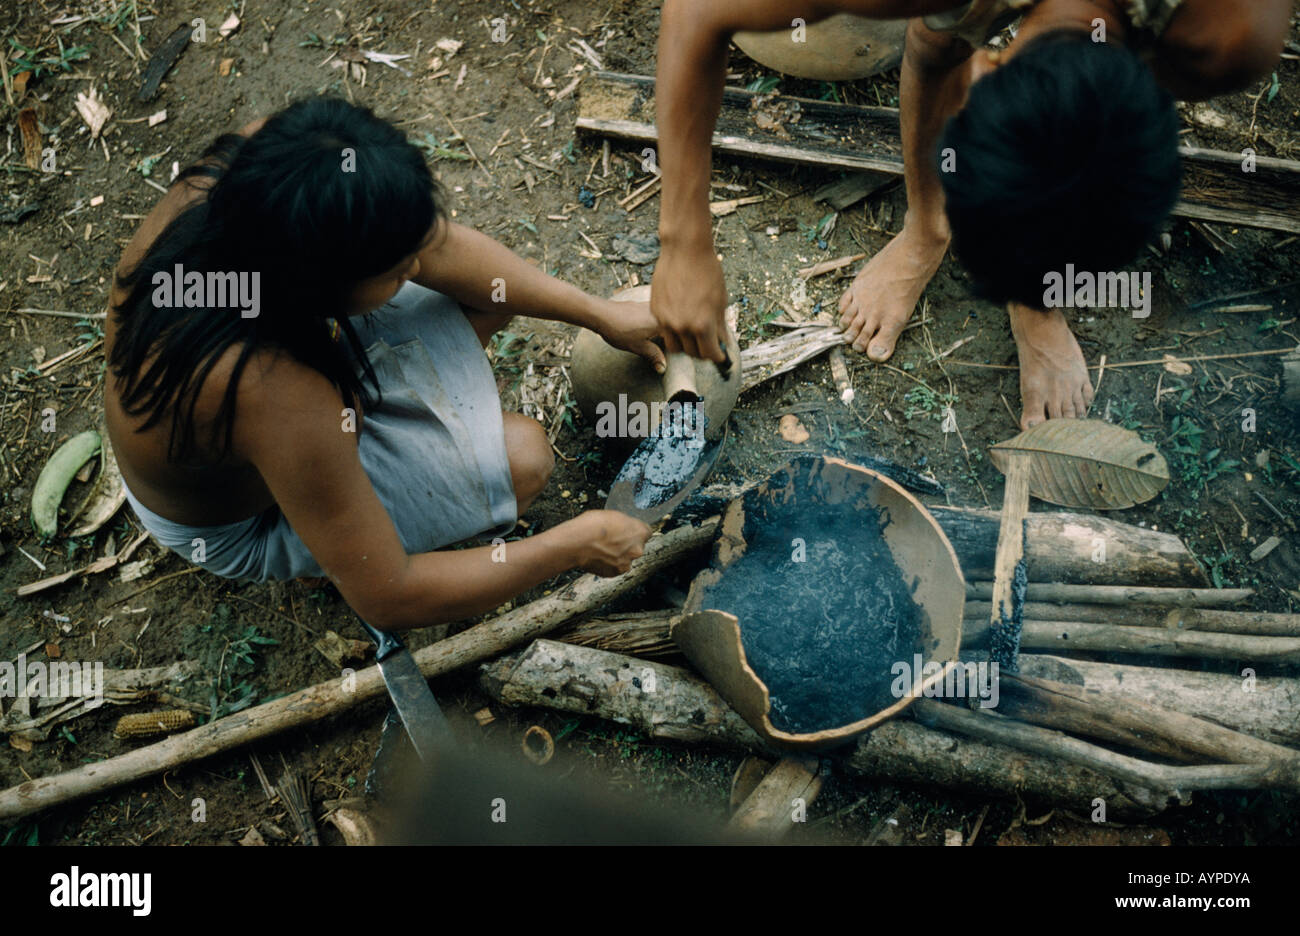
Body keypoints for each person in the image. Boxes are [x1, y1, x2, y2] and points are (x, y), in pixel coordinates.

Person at [106, 97, 658, 632]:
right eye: (398, 271)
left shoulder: (277, 163)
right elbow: (391, 594)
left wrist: (596, 312)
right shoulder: (273, 391)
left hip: (293, 394)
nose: (420, 266)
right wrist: (568, 546)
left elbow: (439, 250)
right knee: (524, 458)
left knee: (490, 293)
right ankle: (320, 549)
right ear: (322, 287)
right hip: (251, 518)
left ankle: (336, 512)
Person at [652, 0, 1289, 427]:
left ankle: (1033, 305)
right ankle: (925, 228)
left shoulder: (1227, 33)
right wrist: (683, 243)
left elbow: (1086, 140)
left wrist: (1038, 278)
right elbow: (697, 11)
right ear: (981, 70)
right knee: (927, 37)